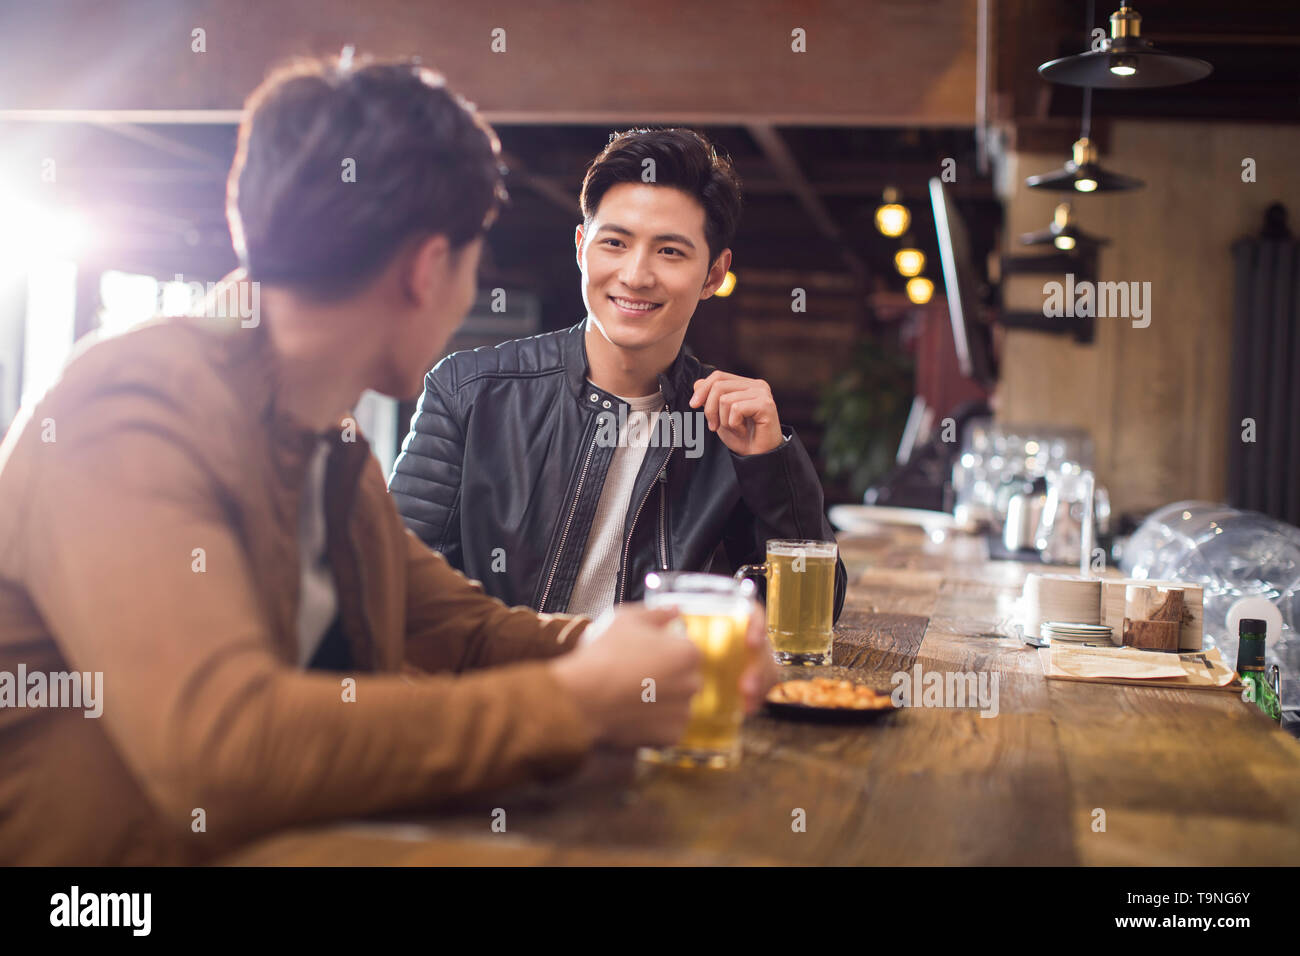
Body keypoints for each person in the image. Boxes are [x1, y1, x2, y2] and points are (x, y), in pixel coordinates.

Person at [0, 55, 776, 866]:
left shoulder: (322, 436)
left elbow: (460, 627)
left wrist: (635, 652)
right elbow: (220, 753)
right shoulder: (128, 410)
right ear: (427, 268)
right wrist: (578, 699)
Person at [389, 127, 848, 619]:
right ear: (582, 246)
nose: (635, 274)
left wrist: (772, 466)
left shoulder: (729, 429)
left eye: (670, 251)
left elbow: (809, 614)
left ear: (714, 274)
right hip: (506, 690)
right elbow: (390, 582)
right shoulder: (468, 392)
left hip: (658, 694)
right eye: (615, 243)